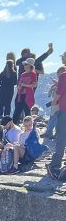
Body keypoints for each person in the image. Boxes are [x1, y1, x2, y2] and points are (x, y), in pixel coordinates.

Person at [47, 50, 66, 181]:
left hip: (64, 110)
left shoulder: (64, 75)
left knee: (61, 138)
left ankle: (55, 165)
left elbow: (59, 94)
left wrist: (53, 105)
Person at [44, 66, 65, 140]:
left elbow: (60, 91)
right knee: (54, 118)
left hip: (59, 104)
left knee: (54, 119)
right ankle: (54, 133)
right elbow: (50, 93)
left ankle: (50, 133)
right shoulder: (57, 83)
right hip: (56, 104)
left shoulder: (60, 82)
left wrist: (54, 101)